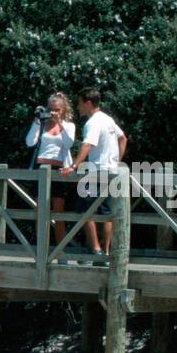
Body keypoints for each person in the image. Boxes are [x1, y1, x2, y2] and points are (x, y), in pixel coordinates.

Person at [61, 88, 127, 256]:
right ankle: (106, 252)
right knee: (106, 212)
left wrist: (73, 166)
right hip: (111, 171)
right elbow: (123, 138)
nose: (78, 107)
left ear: (88, 103)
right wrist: (117, 161)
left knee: (85, 211)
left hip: (96, 172)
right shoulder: (108, 119)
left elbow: (87, 145)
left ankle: (96, 249)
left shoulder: (93, 123)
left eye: (80, 103)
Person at [24, 92, 76, 247]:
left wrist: (59, 123)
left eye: (57, 110)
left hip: (59, 169)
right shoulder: (42, 124)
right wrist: (36, 120)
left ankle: (60, 249)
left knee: (58, 212)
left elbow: (69, 144)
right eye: (51, 109)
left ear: (63, 110)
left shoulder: (68, 126)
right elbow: (29, 142)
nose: (54, 112)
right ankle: (42, 248)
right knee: (41, 211)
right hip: (42, 167)